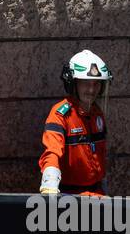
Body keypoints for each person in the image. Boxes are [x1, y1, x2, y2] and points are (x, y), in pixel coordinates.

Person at [38, 49, 112, 197]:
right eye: (85, 83)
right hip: (69, 197)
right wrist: (49, 186)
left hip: (97, 194)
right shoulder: (61, 114)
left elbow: (100, 157)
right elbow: (52, 152)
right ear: (73, 84)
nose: (91, 90)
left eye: (96, 84)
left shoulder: (97, 114)